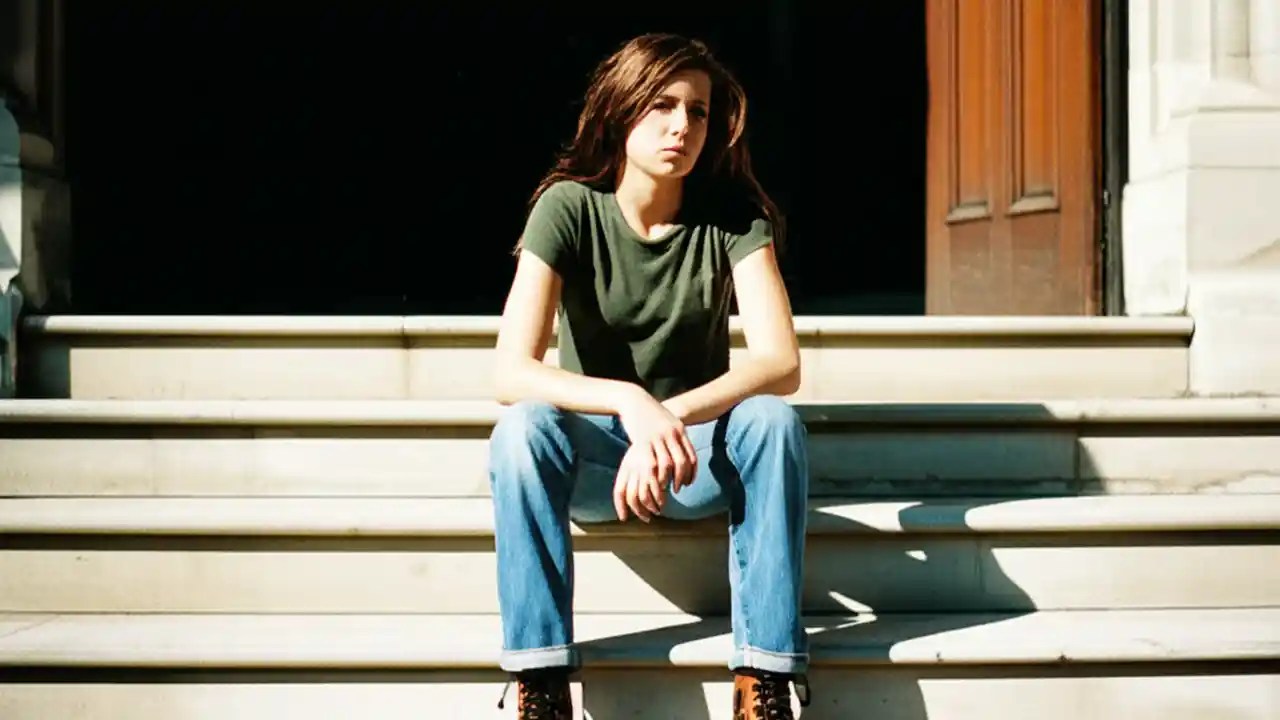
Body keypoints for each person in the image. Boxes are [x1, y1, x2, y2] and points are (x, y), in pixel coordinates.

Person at [489, 32, 811, 720]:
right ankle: (538, 681)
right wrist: (631, 404)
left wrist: (673, 418)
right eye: (661, 105)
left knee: (772, 422)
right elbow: (510, 370)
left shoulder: (731, 217)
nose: (682, 126)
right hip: (599, 465)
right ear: (619, 112)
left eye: (698, 111)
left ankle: (764, 677)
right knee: (522, 428)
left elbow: (781, 362)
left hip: (690, 459)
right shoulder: (568, 208)